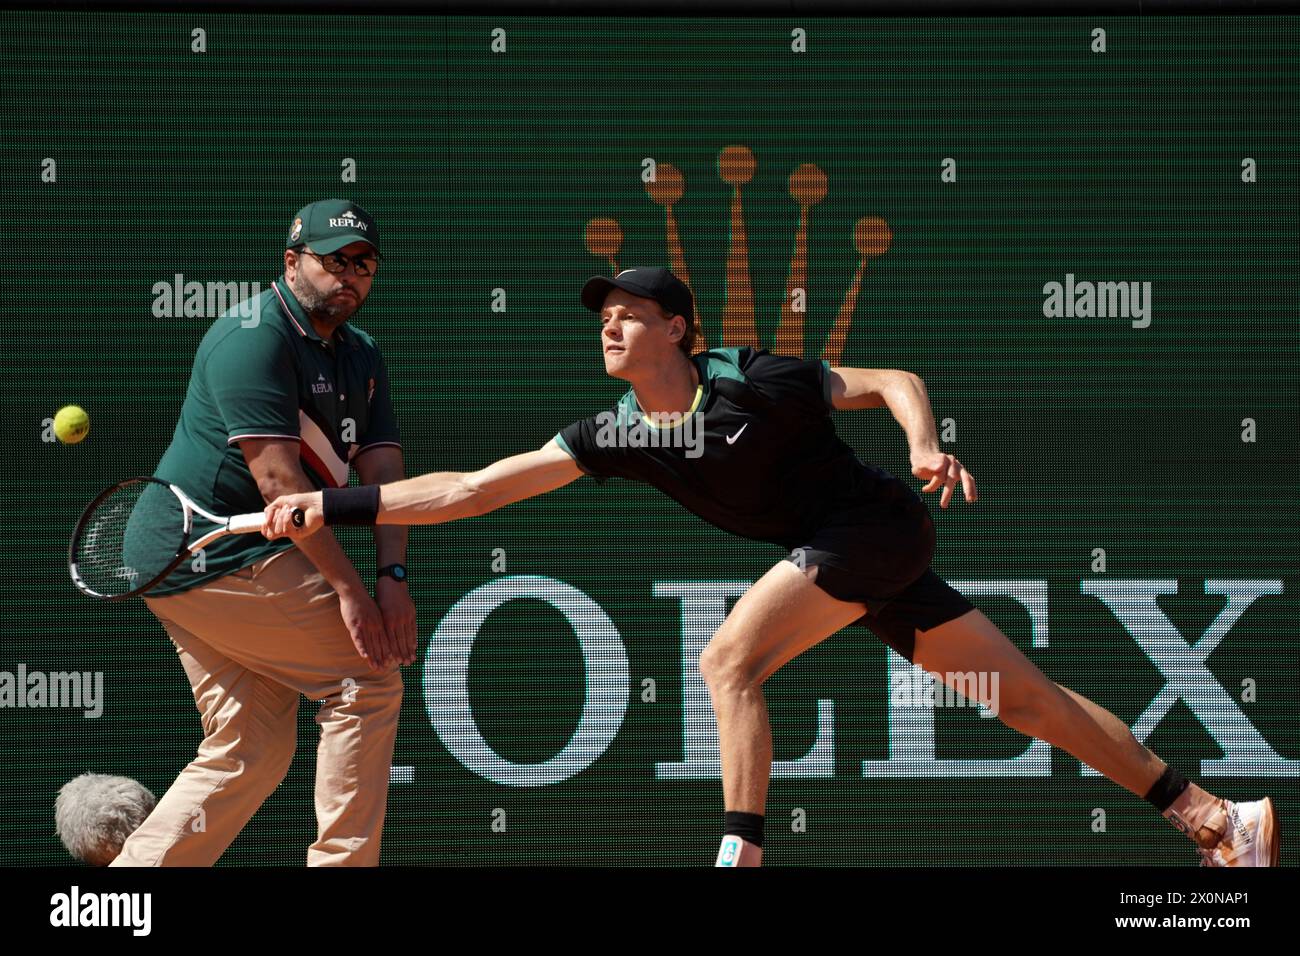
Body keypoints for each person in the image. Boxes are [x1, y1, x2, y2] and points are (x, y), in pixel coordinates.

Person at [261, 266, 1278, 868]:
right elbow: (475, 489)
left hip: (871, 526)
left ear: (676, 328)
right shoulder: (615, 431)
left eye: (628, 310)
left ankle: (740, 847)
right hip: (865, 562)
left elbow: (891, 377)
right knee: (1026, 702)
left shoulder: (758, 377)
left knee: (726, 661)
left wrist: (924, 443)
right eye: (600, 312)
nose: (608, 323)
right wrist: (334, 500)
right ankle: (1220, 817)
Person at [112, 200, 415, 866]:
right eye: (335, 260)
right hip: (208, 549)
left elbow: (384, 470)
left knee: (250, 745)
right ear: (292, 262)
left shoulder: (360, 354)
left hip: (223, 557)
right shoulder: (252, 336)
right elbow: (281, 485)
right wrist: (351, 593)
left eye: (363, 264)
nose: (351, 275)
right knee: (368, 681)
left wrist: (391, 576)